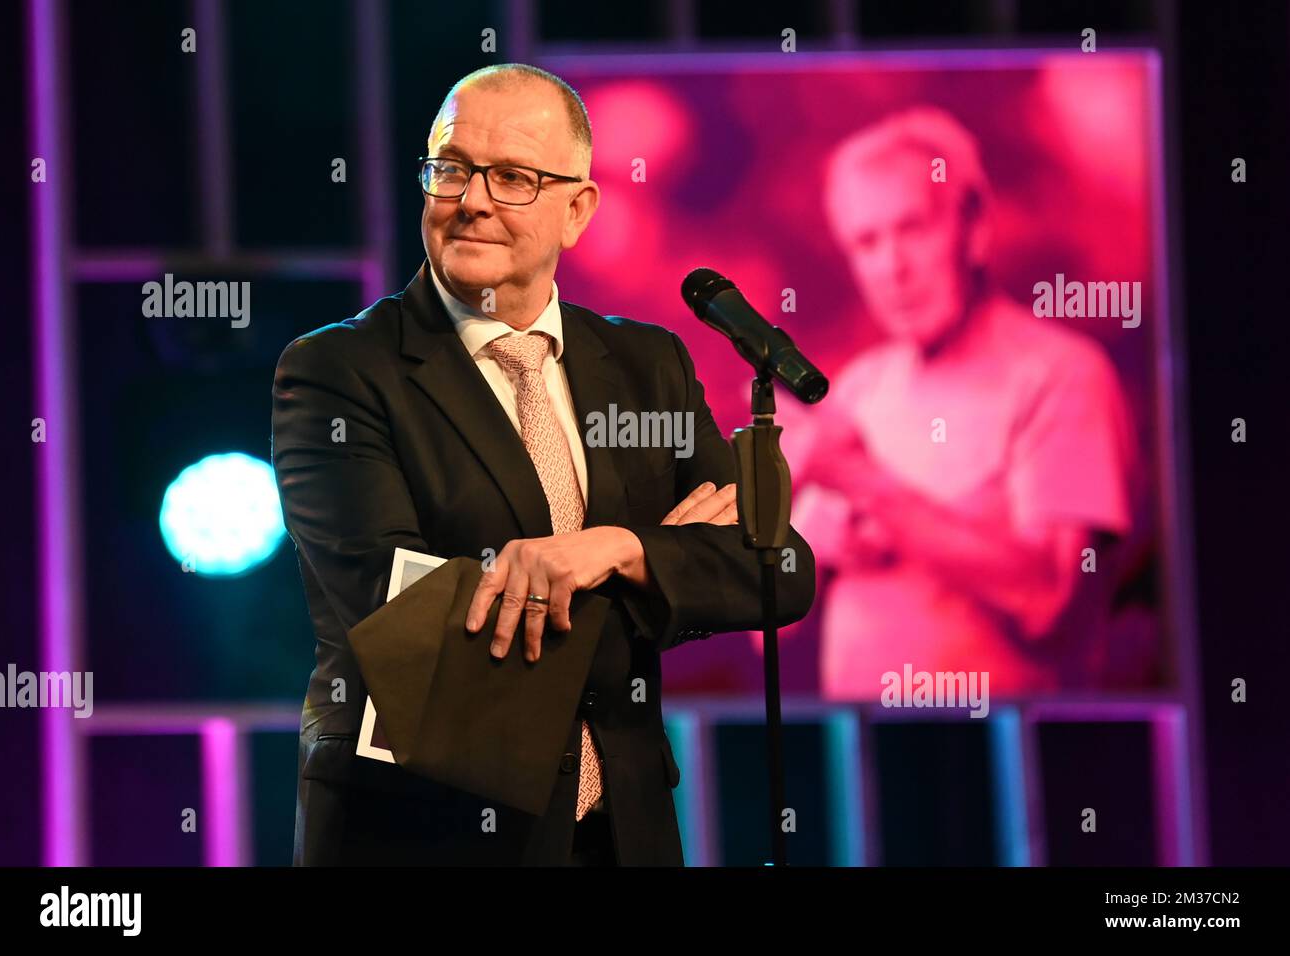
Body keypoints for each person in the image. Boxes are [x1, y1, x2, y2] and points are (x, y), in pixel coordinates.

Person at [271, 63, 815, 866]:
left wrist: (610, 549)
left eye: (514, 177)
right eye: (451, 169)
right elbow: (409, 620)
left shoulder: (645, 364)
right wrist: (661, 565)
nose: (474, 200)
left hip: (622, 830)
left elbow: (780, 571)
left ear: (578, 210)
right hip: (427, 832)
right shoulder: (341, 371)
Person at [787, 107, 1135, 699]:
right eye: (867, 242)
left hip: (1002, 756)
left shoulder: (1061, 375)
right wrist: (801, 551)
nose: (892, 268)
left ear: (975, 229)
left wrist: (870, 488)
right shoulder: (859, 388)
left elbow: (1053, 602)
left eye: (913, 230)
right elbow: (765, 633)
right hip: (859, 752)